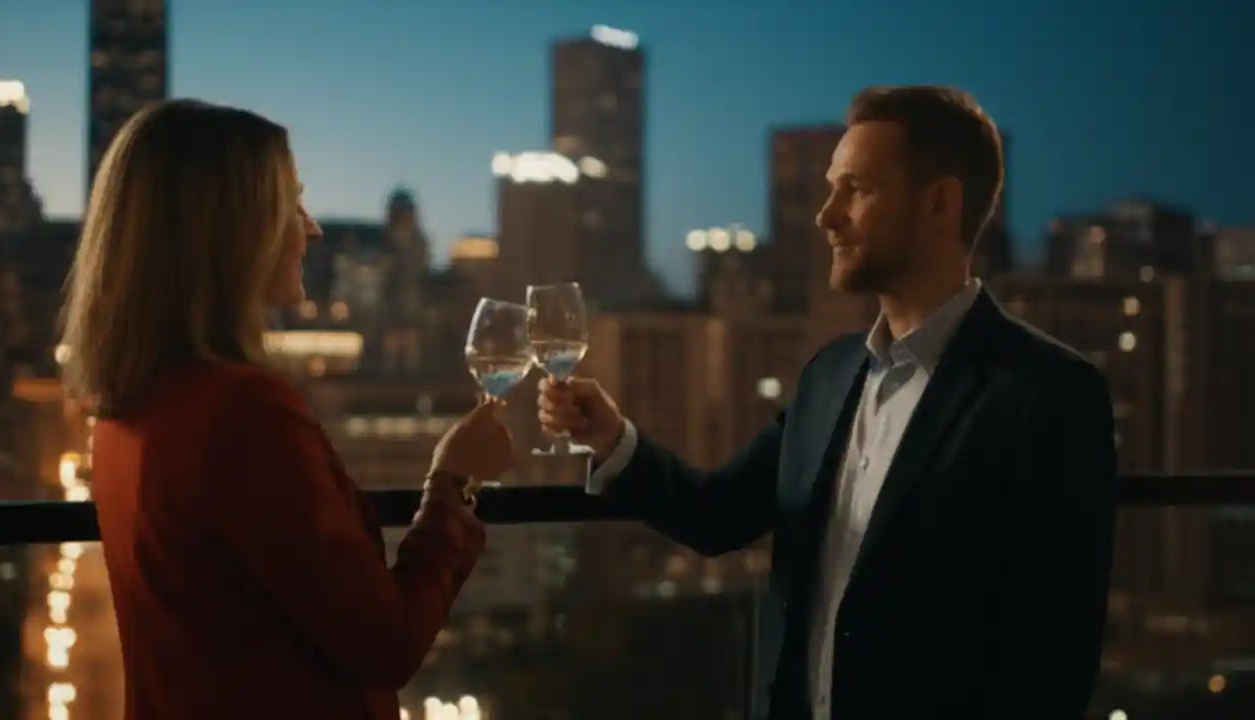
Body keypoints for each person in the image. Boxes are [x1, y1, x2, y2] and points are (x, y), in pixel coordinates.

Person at [539, 85, 1118, 719]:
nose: (825, 215)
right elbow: (719, 514)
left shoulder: (1048, 393)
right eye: (830, 187)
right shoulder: (831, 375)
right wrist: (613, 439)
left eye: (856, 189)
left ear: (939, 202)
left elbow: (1053, 664)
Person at [61, 99, 513, 720]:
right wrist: (452, 486)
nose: (313, 229)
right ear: (231, 230)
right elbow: (386, 642)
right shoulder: (242, 414)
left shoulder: (120, 412)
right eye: (292, 204)